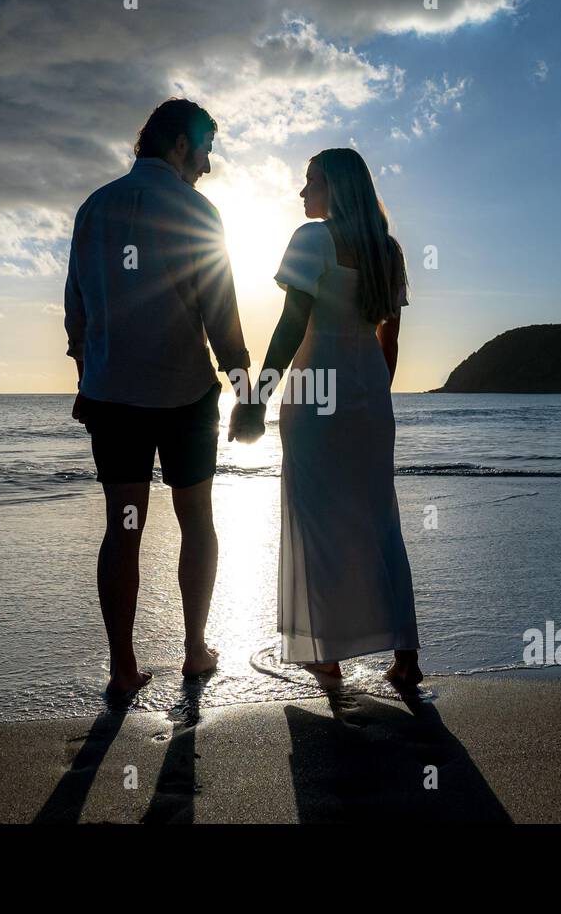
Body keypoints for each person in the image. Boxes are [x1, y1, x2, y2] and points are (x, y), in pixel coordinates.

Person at [64, 98, 259, 697]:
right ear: (179, 145)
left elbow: (77, 310)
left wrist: (86, 378)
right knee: (196, 521)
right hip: (182, 396)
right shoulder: (198, 211)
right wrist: (246, 391)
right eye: (205, 148)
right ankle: (194, 650)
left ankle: (122, 669)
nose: (208, 161)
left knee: (123, 529)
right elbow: (221, 315)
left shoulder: (94, 208)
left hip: (112, 397)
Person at [237, 147, 422, 688]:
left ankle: (328, 652)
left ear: (334, 187)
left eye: (310, 181)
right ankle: (405, 656)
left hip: (318, 391)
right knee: (378, 518)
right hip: (368, 392)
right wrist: (372, 395)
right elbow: (391, 336)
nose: (302, 193)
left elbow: (291, 324)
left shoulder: (312, 239)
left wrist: (255, 398)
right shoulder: (388, 250)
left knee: (318, 521)